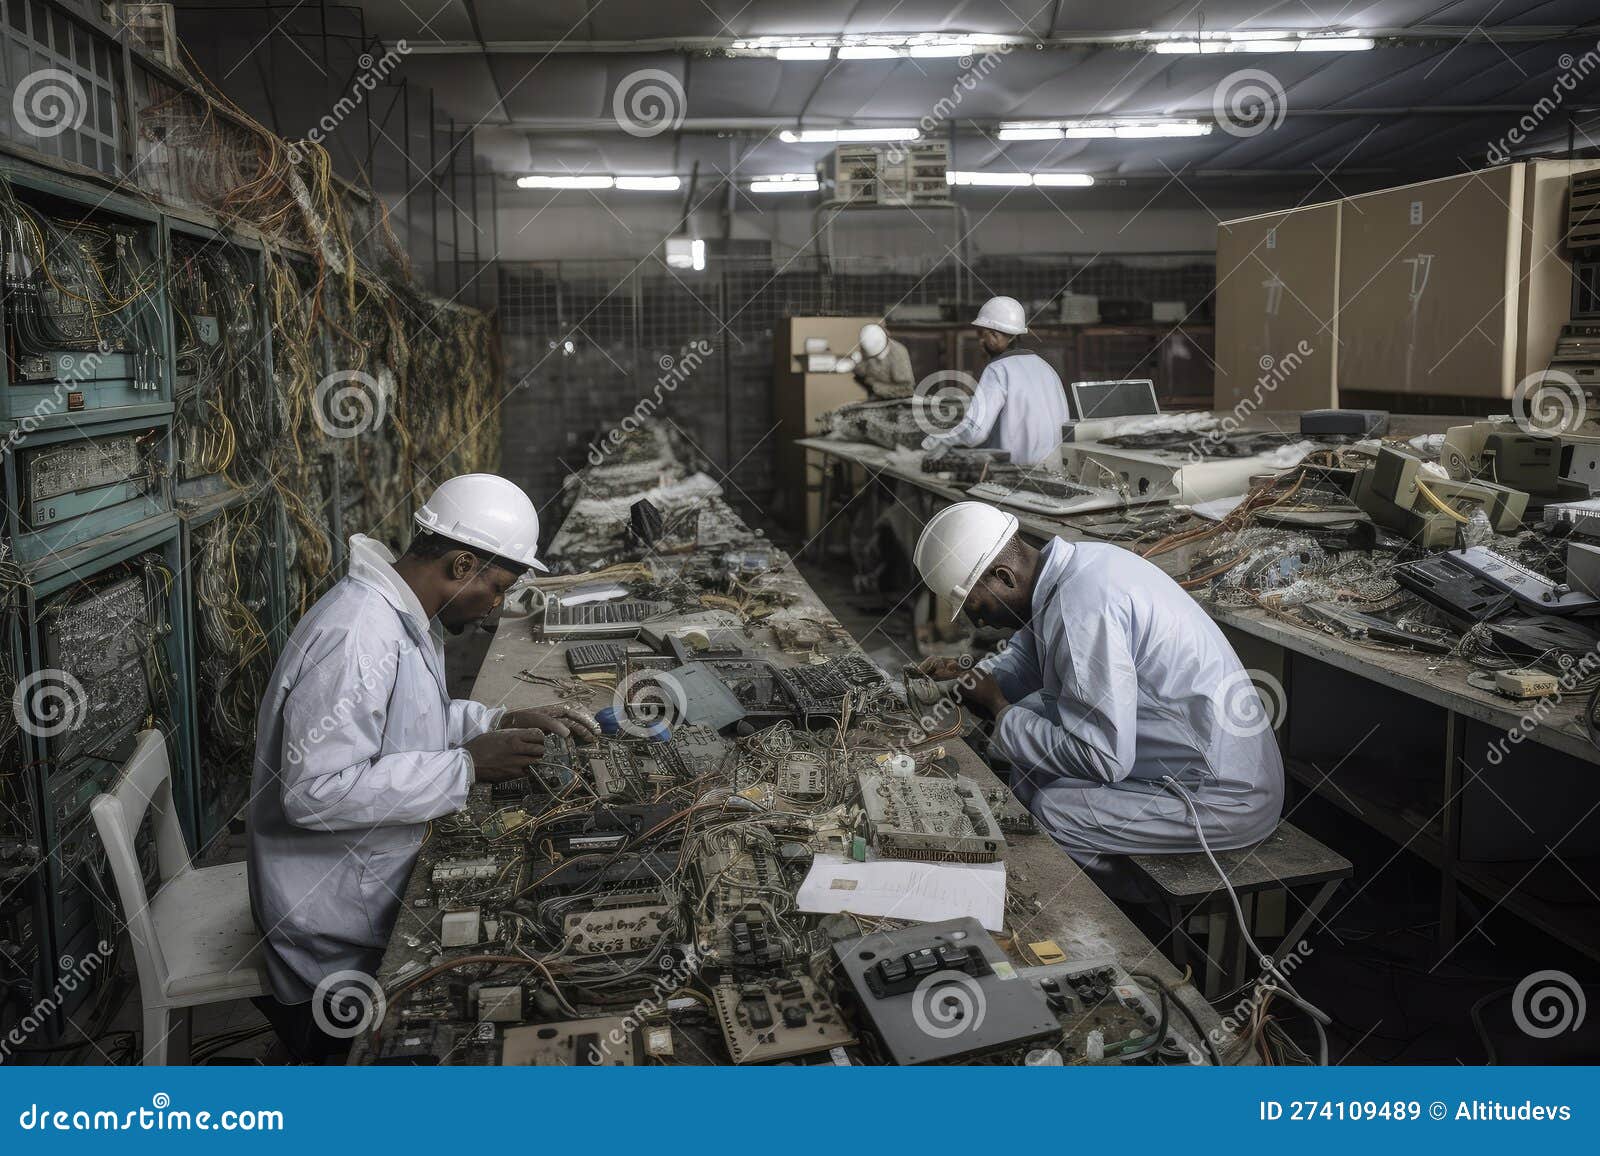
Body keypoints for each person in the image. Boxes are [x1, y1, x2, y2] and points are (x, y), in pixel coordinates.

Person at [247, 473, 595, 1057]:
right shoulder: (359, 637)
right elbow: (311, 793)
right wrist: (464, 769)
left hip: (362, 870)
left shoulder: (398, 617)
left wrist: (496, 722)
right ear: (461, 564)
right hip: (332, 924)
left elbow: (411, 718)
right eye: (499, 587)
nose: (499, 606)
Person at [913, 501, 1283, 900]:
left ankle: (1123, 912)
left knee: (1058, 810)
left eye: (977, 608)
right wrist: (973, 675)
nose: (979, 623)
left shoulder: (1083, 609)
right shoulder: (1074, 569)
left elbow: (1102, 759)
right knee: (1035, 720)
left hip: (1219, 793)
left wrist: (999, 706)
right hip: (1178, 754)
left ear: (1003, 576)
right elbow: (1028, 657)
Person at [921, 296, 1069, 466]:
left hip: (1020, 471)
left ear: (995, 334)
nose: (980, 342)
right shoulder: (1046, 367)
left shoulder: (998, 369)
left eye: (982, 336)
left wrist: (939, 439)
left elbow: (974, 432)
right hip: (1057, 467)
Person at [852, 322, 914, 399]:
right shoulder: (867, 348)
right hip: (875, 396)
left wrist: (878, 387)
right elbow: (864, 371)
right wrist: (855, 365)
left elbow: (907, 389)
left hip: (896, 402)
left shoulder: (898, 354)